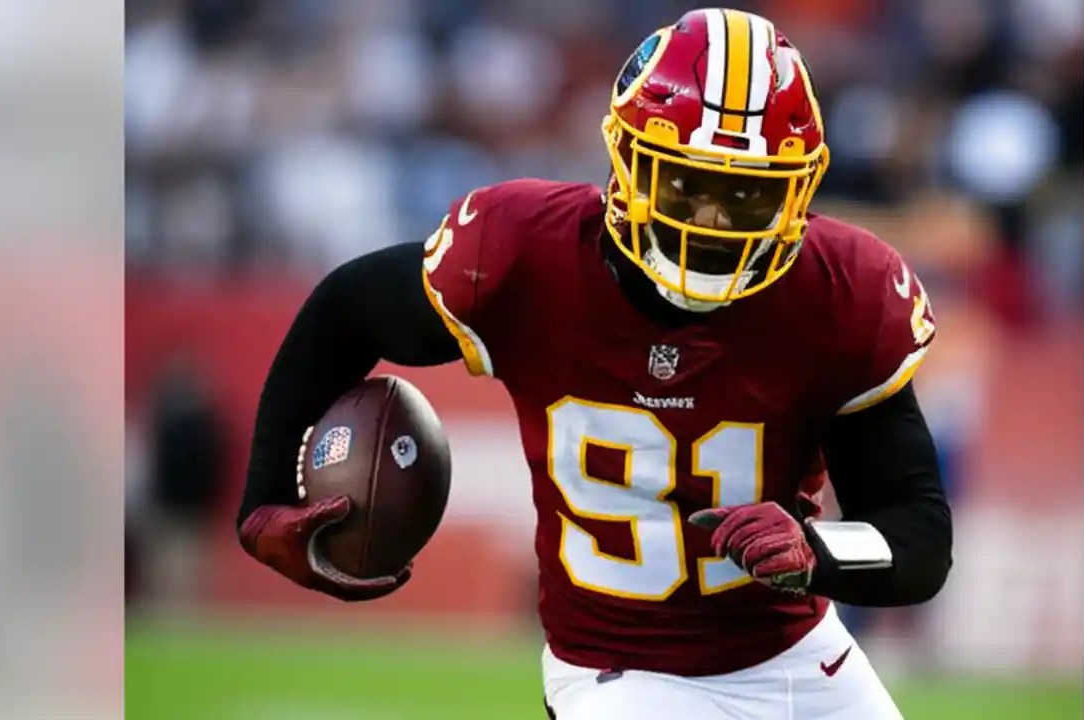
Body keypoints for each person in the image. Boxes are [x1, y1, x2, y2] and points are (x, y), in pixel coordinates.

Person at [235, 9, 951, 719]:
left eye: (746, 195)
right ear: (629, 162)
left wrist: (815, 549)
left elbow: (918, 535)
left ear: (797, 191)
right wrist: (263, 494)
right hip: (616, 673)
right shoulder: (524, 256)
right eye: (687, 185)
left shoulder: (837, 294)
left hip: (796, 659)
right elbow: (346, 309)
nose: (711, 222)